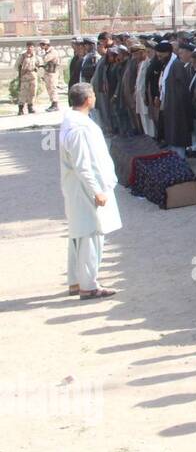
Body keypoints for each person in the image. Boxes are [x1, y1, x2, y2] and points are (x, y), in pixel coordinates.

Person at [59, 83, 121, 301]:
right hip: (86, 188)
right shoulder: (79, 128)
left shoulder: (74, 122)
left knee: (79, 234)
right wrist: (96, 190)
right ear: (88, 99)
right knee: (91, 235)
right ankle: (88, 284)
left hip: (80, 186)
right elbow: (82, 163)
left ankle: (76, 280)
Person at [17, 42, 38, 115]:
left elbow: (38, 64)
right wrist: (20, 76)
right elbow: (17, 66)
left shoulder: (35, 56)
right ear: (26, 47)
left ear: (33, 48)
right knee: (23, 93)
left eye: (31, 47)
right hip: (25, 77)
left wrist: (36, 68)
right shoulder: (22, 56)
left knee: (32, 93)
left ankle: (30, 107)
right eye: (28, 47)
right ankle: (20, 109)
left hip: (33, 77)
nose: (30, 48)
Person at [40, 40, 61, 112]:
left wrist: (42, 53)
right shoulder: (46, 52)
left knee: (52, 88)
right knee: (49, 88)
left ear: (47, 45)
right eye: (41, 44)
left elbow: (45, 59)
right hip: (48, 72)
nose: (41, 46)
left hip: (52, 73)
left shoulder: (53, 52)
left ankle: (55, 104)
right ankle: (53, 103)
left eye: (43, 44)